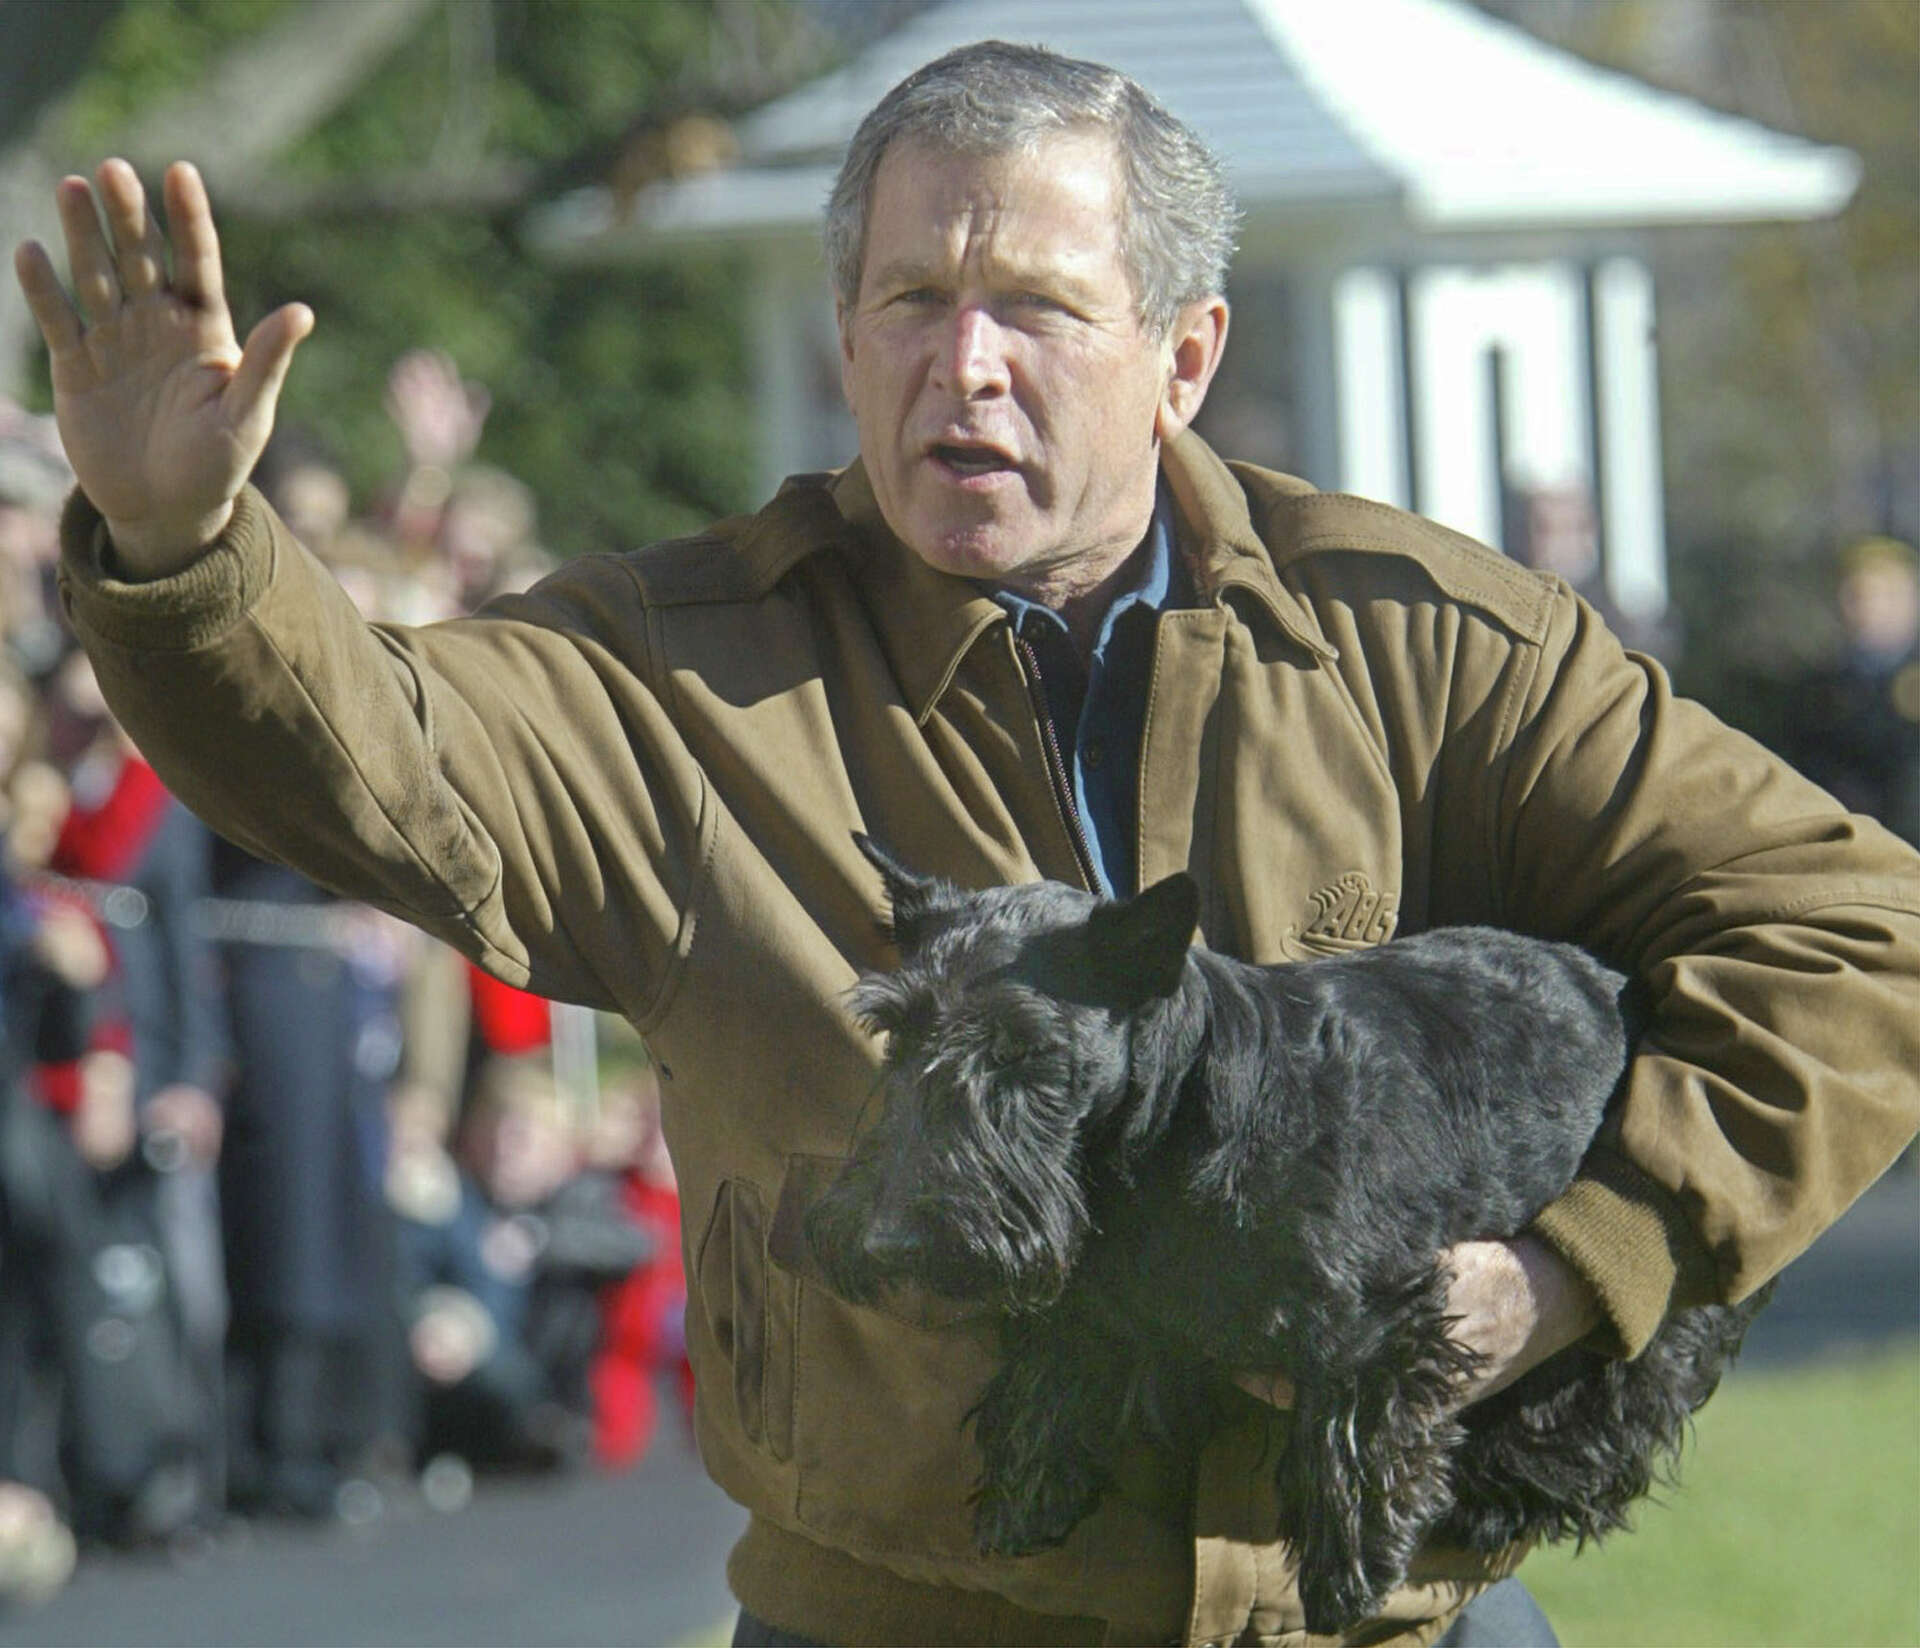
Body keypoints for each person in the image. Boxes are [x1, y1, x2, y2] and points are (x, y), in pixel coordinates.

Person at [12, 39, 1919, 1648]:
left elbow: (1858, 931)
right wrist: (186, 556)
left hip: (1384, 1613)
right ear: (845, 339)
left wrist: (1575, 1273)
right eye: (912, 301)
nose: (967, 362)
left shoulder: (1424, 642)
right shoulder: (681, 674)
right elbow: (378, 755)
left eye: (1037, 307)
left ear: (1182, 356)